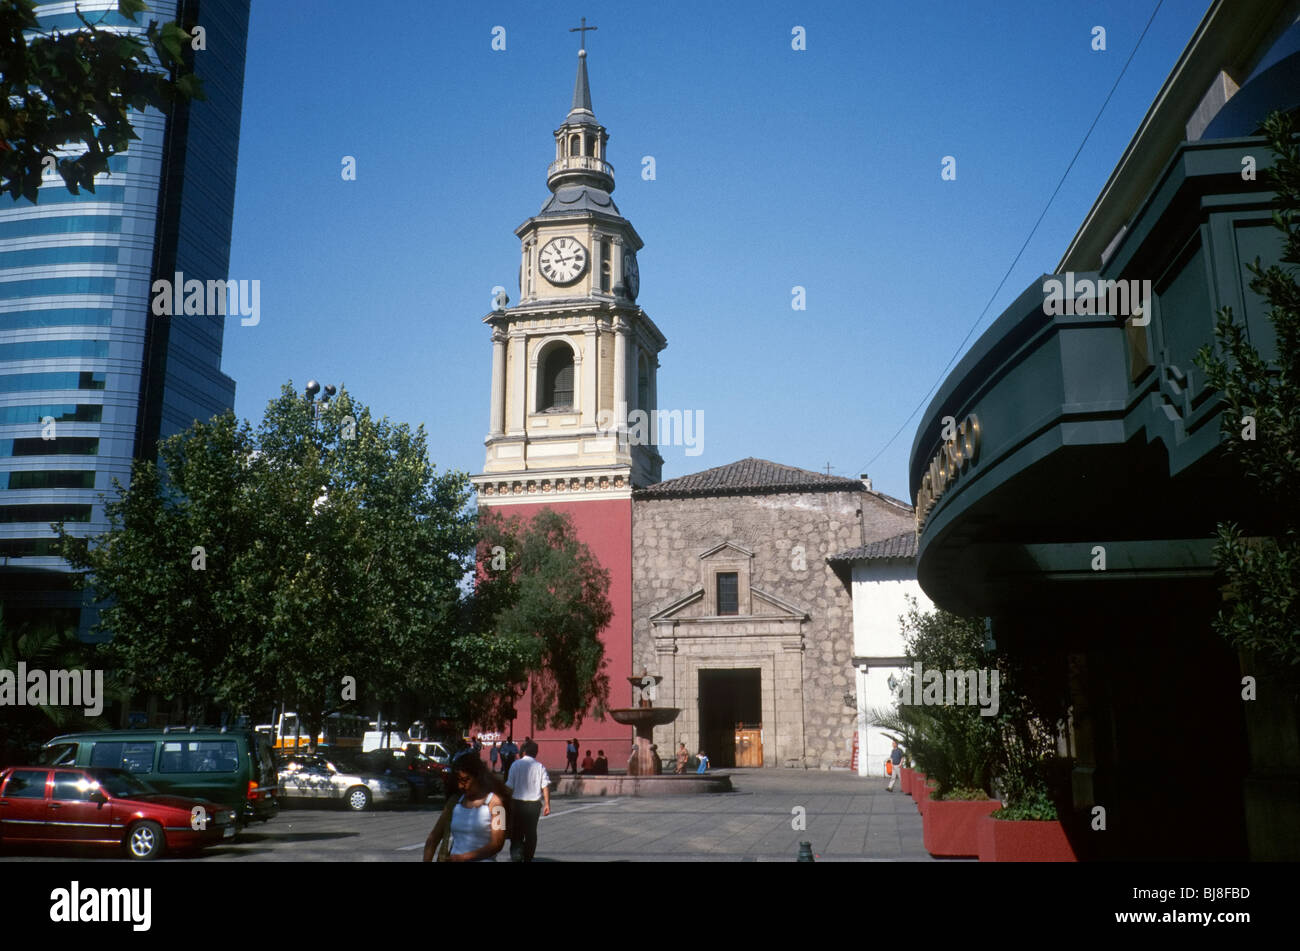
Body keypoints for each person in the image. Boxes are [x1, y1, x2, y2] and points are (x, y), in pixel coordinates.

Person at [423, 751, 506, 862]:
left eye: (465, 780)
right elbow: (433, 838)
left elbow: (497, 844)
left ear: (478, 777)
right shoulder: (455, 802)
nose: (460, 785)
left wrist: (463, 858)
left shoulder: (496, 804)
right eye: (458, 780)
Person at [505, 740, 550, 862]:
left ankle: (517, 856)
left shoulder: (515, 765)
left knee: (517, 832)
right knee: (531, 833)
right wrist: (547, 804)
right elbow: (545, 786)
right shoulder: (540, 766)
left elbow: (509, 786)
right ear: (536, 753)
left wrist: (505, 801)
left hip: (517, 803)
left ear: (523, 751)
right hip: (534, 805)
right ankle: (528, 857)